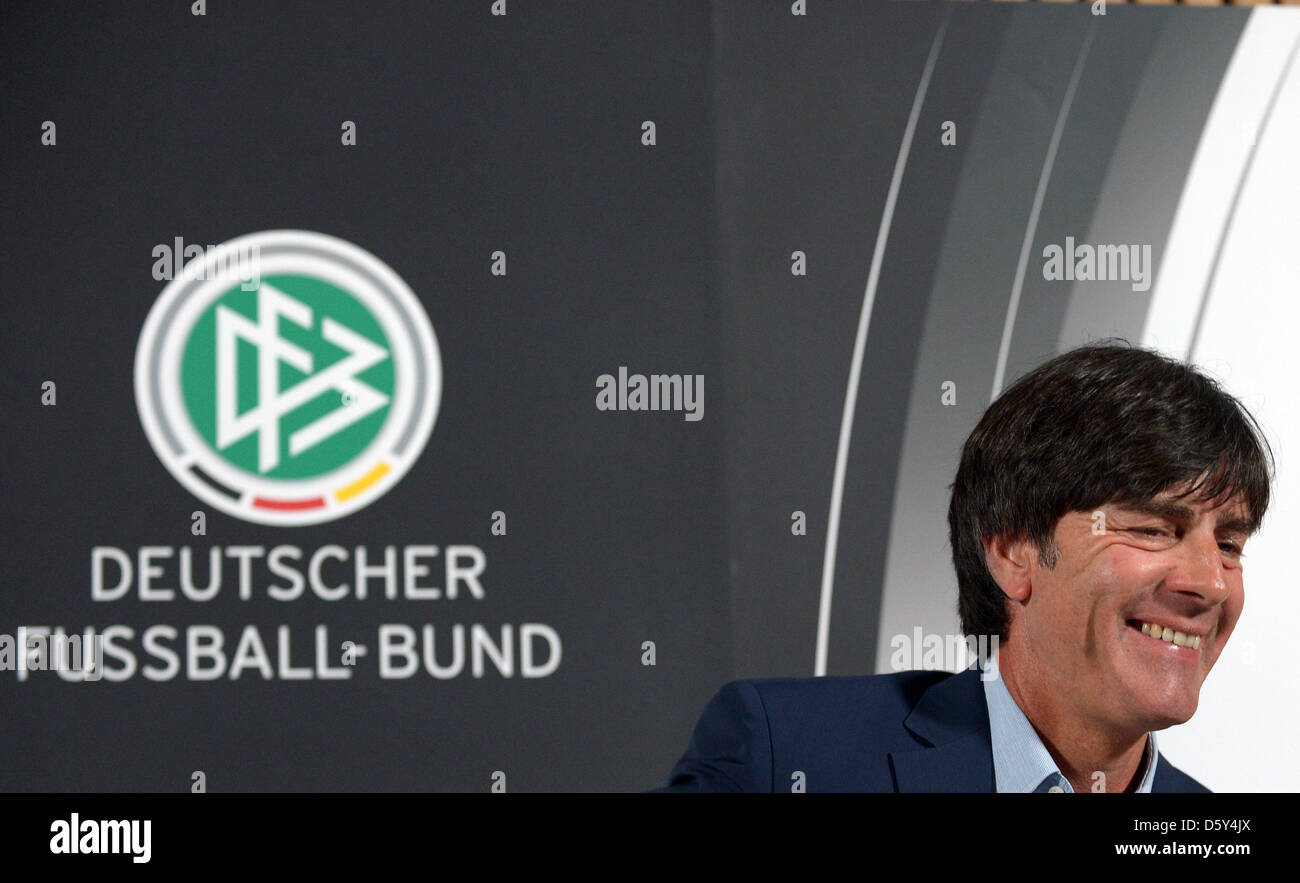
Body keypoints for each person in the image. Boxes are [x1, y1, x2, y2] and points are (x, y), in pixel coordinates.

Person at [656, 342, 1273, 792]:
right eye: (1153, 530)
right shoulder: (785, 755)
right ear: (1012, 553)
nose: (1210, 582)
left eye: (1230, 545)